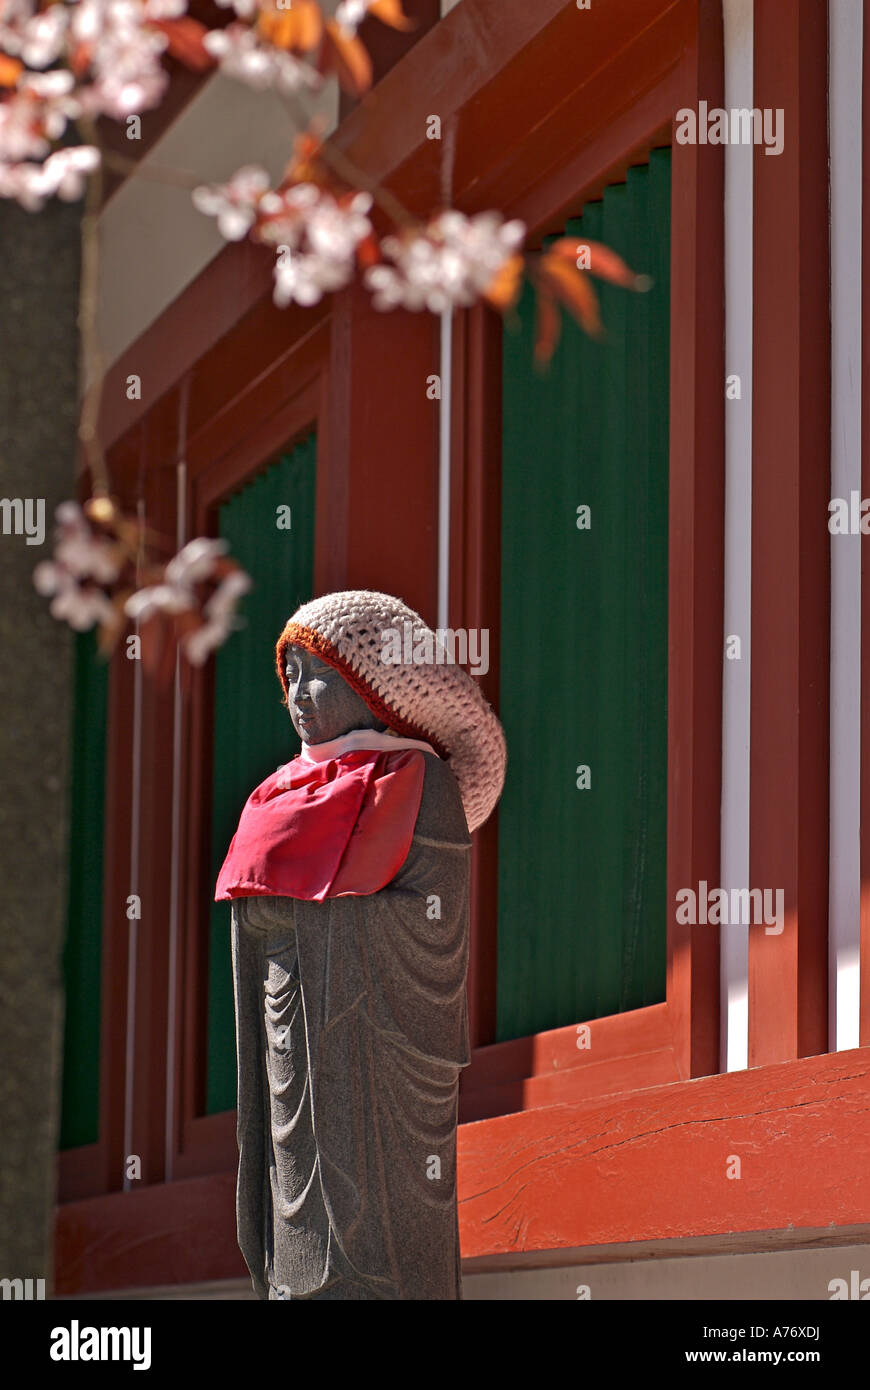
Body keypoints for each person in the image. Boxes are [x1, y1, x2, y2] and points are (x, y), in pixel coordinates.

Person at [215, 590, 506, 1300]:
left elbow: (434, 928)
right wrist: (271, 924)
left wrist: (310, 920)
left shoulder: (417, 781)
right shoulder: (276, 794)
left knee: (383, 1227)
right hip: (294, 1024)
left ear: (370, 683)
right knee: (295, 1177)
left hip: (383, 1045)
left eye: (319, 675)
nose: (300, 695)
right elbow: (250, 918)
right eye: (290, 678)